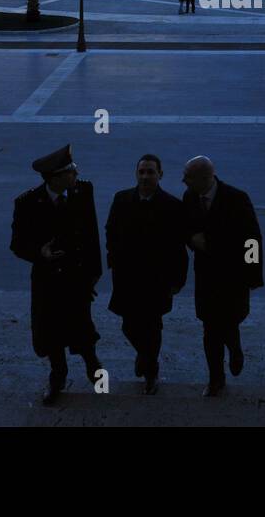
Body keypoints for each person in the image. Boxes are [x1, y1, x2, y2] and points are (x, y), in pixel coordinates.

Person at [9, 144, 103, 406]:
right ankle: (58, 375)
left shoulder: (83, 192)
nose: (76, 174)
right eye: (70, 171)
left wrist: (95, 271)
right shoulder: (27, 203)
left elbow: (91, 233)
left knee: (83, 325)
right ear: (55, 178)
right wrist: (40, 252)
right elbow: (17, 244)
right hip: (48, 279)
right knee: (51, 331)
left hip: (77, 276)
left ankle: (93, 366)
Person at [104, 155, 189, 394]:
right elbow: (110, 229)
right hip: (128, 277)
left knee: (152, 326)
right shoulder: (121, 199)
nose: (145, 176)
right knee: (129, 325)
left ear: (160, 175)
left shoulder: (172, 205)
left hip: (156, 278)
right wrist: (114, 258)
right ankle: (145, 356)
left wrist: (177, 279)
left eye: (150, 172)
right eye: (142, 172)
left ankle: (151, 370)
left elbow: (178, 246)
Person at [181, 156, 264, 396]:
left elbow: (252, 239)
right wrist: (191, 238)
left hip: (233, 276)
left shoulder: (236, 199)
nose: (183, 180)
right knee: (210, 328)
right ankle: (216, 378)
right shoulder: (190, 197)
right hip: (207, 277)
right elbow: (185, 226)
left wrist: (253, 276)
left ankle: (234, 346)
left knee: (229, 320)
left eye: (188, 176)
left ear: (205, 178)